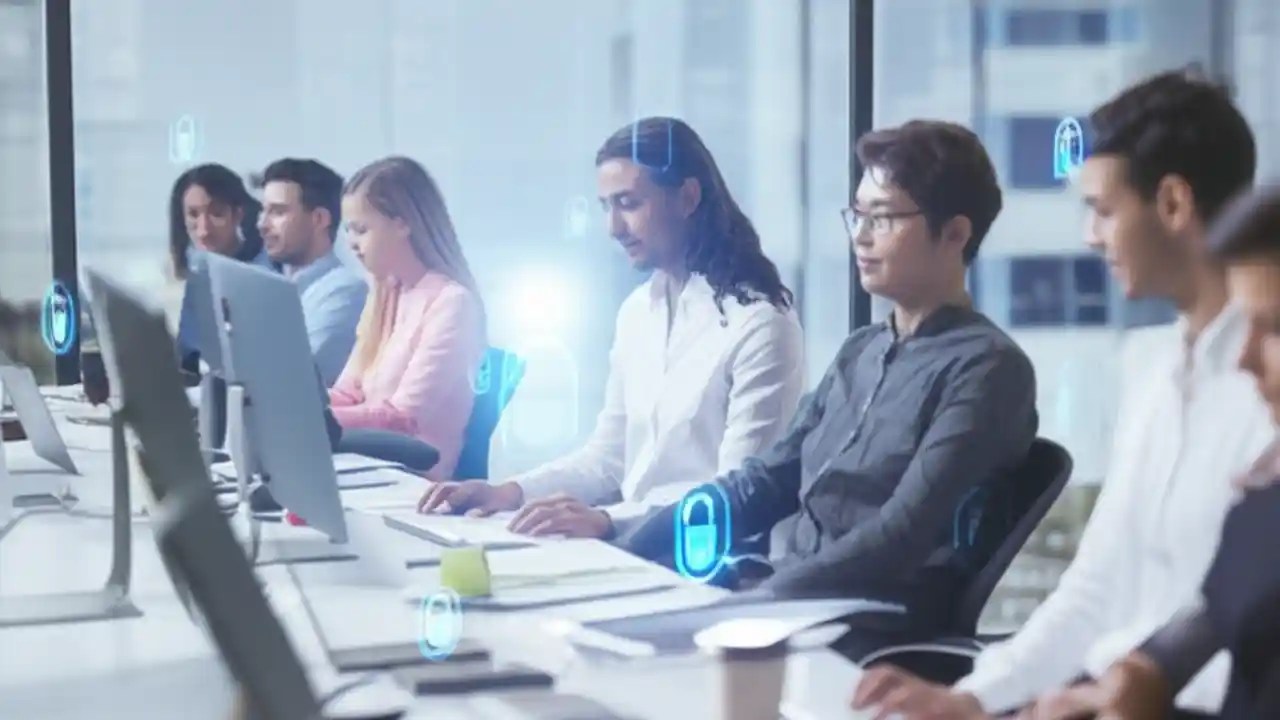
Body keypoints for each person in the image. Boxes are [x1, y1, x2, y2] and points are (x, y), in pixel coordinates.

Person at [851, 70, 1273, 720]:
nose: (1089, 236)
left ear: (1172, 204)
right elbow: (1094, 587)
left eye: (1103, 210)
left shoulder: (1266, 391)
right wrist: (969, 697)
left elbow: (1244, 627)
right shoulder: (1152, 368)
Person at [608, 119, 1037, 651]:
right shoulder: (862, 351)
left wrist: (756, 603)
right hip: (792, 597)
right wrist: (622, 547)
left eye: (882, 219)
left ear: (955, 233)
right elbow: (763, 481)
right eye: (858, 215)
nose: (860, 237)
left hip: (868, 624)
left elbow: (897, 538)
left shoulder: (987, 368)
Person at [416, 117, 805, 540]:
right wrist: (509, 493)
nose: (613, 228)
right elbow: (610, 456)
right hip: (632, 544)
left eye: (629, 204)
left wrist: (608, 522)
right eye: (606, 206)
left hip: (708, 560)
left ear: (688, 197)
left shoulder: (760, 323)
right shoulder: (638, 311)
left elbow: (737, 495)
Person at [1019, 184, 1280, 720]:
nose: (1246, 359)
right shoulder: (1265, 497)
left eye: (1273, 329)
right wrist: (1140, 677)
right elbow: (1221, 610)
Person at [327, 156, 486, 480]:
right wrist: (294, 408)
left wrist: (316, 420)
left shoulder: (452, 303)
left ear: (403, 223)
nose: (352, 244)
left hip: (414, 480)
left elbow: (403, 418)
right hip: (368, 463)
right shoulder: (386, 291)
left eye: (361, 229)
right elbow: (349, 392)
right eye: (348, 230)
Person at [257, 158, 367, 387]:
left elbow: (292, 382)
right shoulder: (272, 289)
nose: (262, 224)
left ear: (319, 219)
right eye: (263, 211)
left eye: (277, 212)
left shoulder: (345, 292)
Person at [169, 164, 274, 372]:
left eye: (216, 213)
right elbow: (188, 355)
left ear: (238, 214)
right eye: (193, 215)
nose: (204, 230)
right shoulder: (199, 270)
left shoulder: (264, 274)